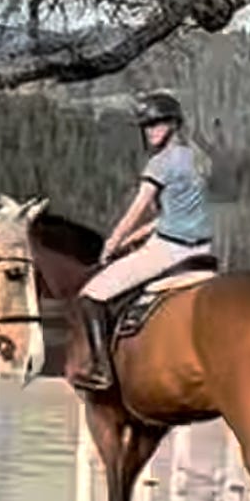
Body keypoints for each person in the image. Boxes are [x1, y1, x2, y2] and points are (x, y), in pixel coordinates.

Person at [72, 90, 216, 390]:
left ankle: (100, 370)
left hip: (170, 251)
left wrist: (112, 244)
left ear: (173, 124)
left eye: (157, 124)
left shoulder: (160, 164)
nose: (151, 130)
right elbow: (168, 216)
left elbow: (137, 210)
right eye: (147, 126)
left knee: (91, 295)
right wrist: (134, 238)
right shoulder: (198, 158)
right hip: (203, 251)